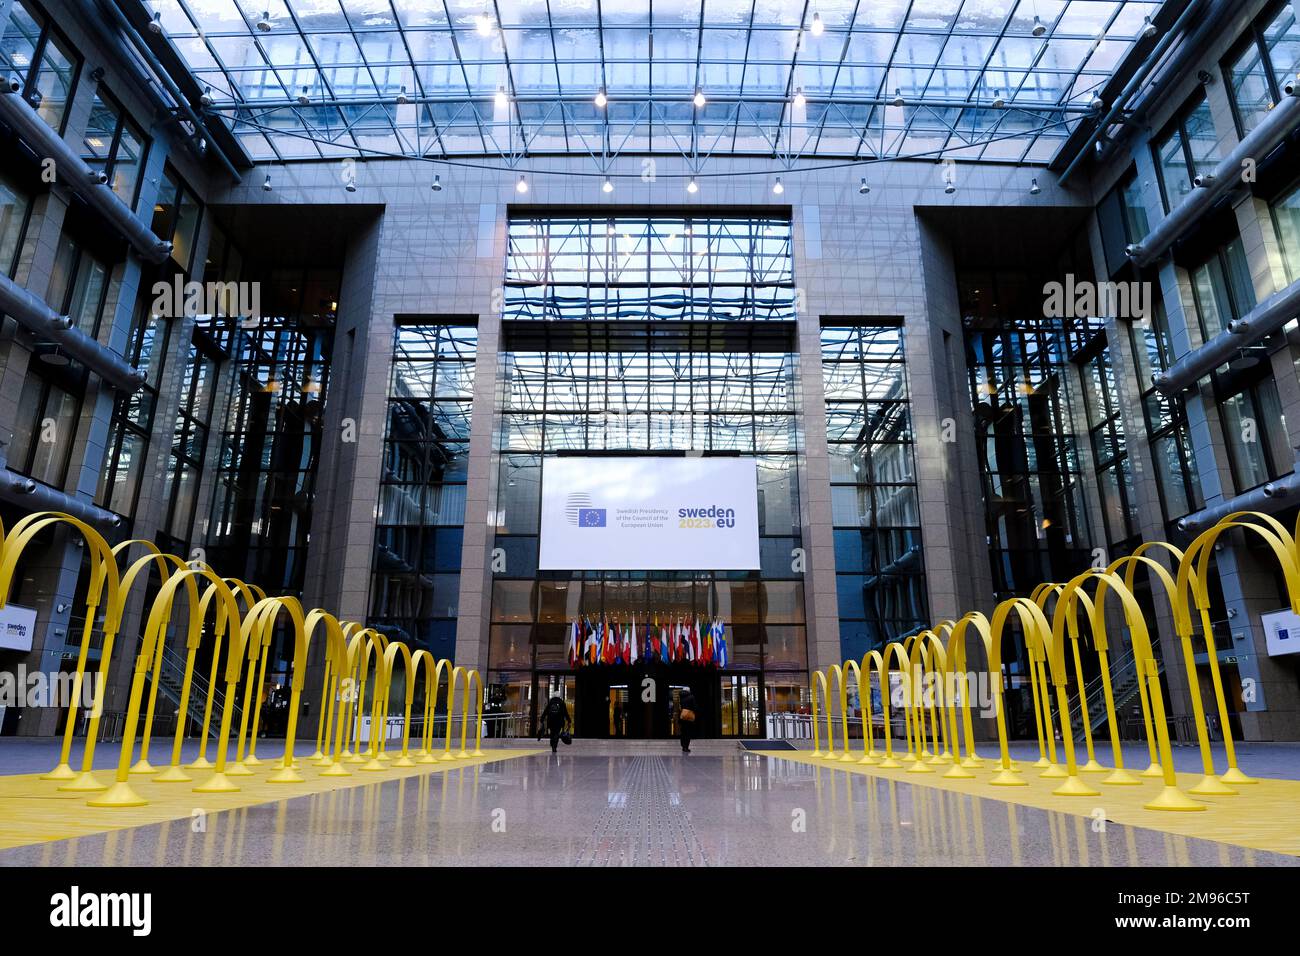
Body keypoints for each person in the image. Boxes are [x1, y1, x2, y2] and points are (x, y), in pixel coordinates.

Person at [678, 687, 697, 754]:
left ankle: (683, 745)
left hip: (682, 716)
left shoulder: (681, 697)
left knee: (683, 731)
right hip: (688, 717)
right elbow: (694, 707)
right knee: (688, 732)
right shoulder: (691, 697)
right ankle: (686, 747)